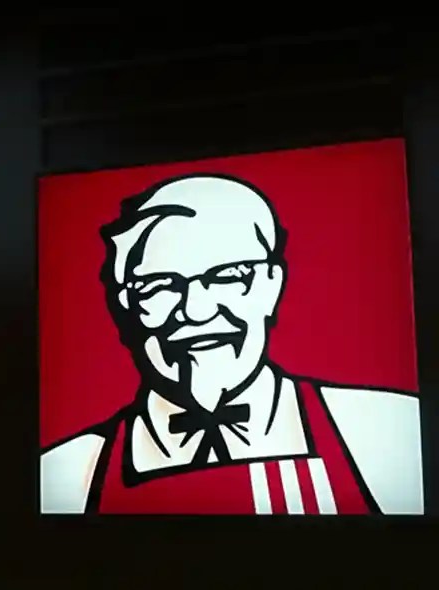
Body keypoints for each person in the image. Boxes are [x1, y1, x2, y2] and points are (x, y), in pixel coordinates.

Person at [40, 174, 422, 515]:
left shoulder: (386, 431)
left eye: (228, 277)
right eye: (160, 286)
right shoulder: (70, 472)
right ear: (128, 306)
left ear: (272, 284)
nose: (197, 310)